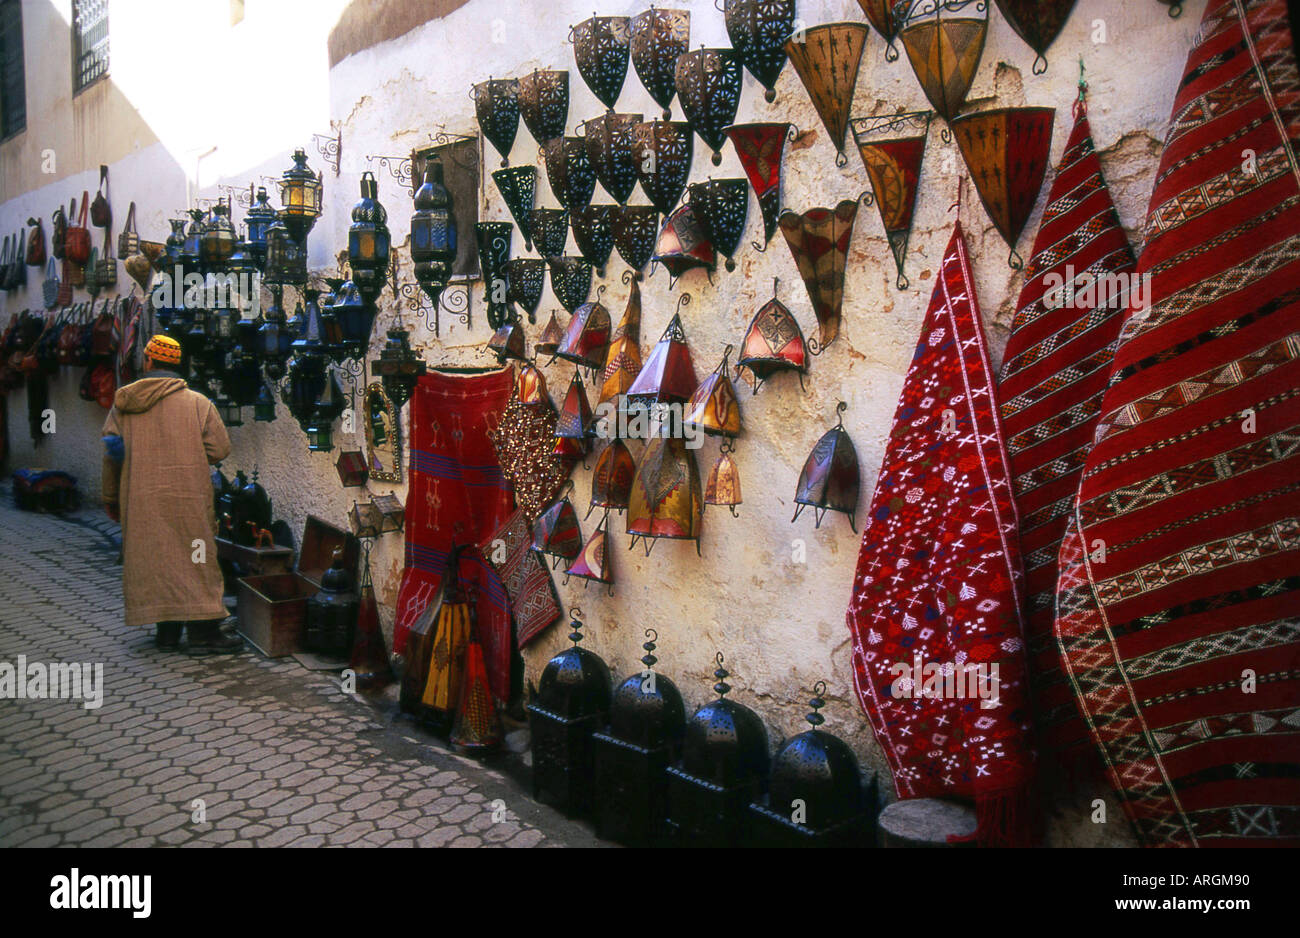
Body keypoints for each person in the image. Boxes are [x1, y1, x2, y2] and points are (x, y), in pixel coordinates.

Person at [101, 334, 243, 655]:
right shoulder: (197, 403)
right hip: (188, 498)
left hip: (141, 499)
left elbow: (111, 454)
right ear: (177, 366)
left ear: (148, 362)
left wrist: (110, 497)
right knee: (195, 558)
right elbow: (219, 449)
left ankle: (166, 633)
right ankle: (202, 635)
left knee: (157, 558)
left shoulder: (124, 405)